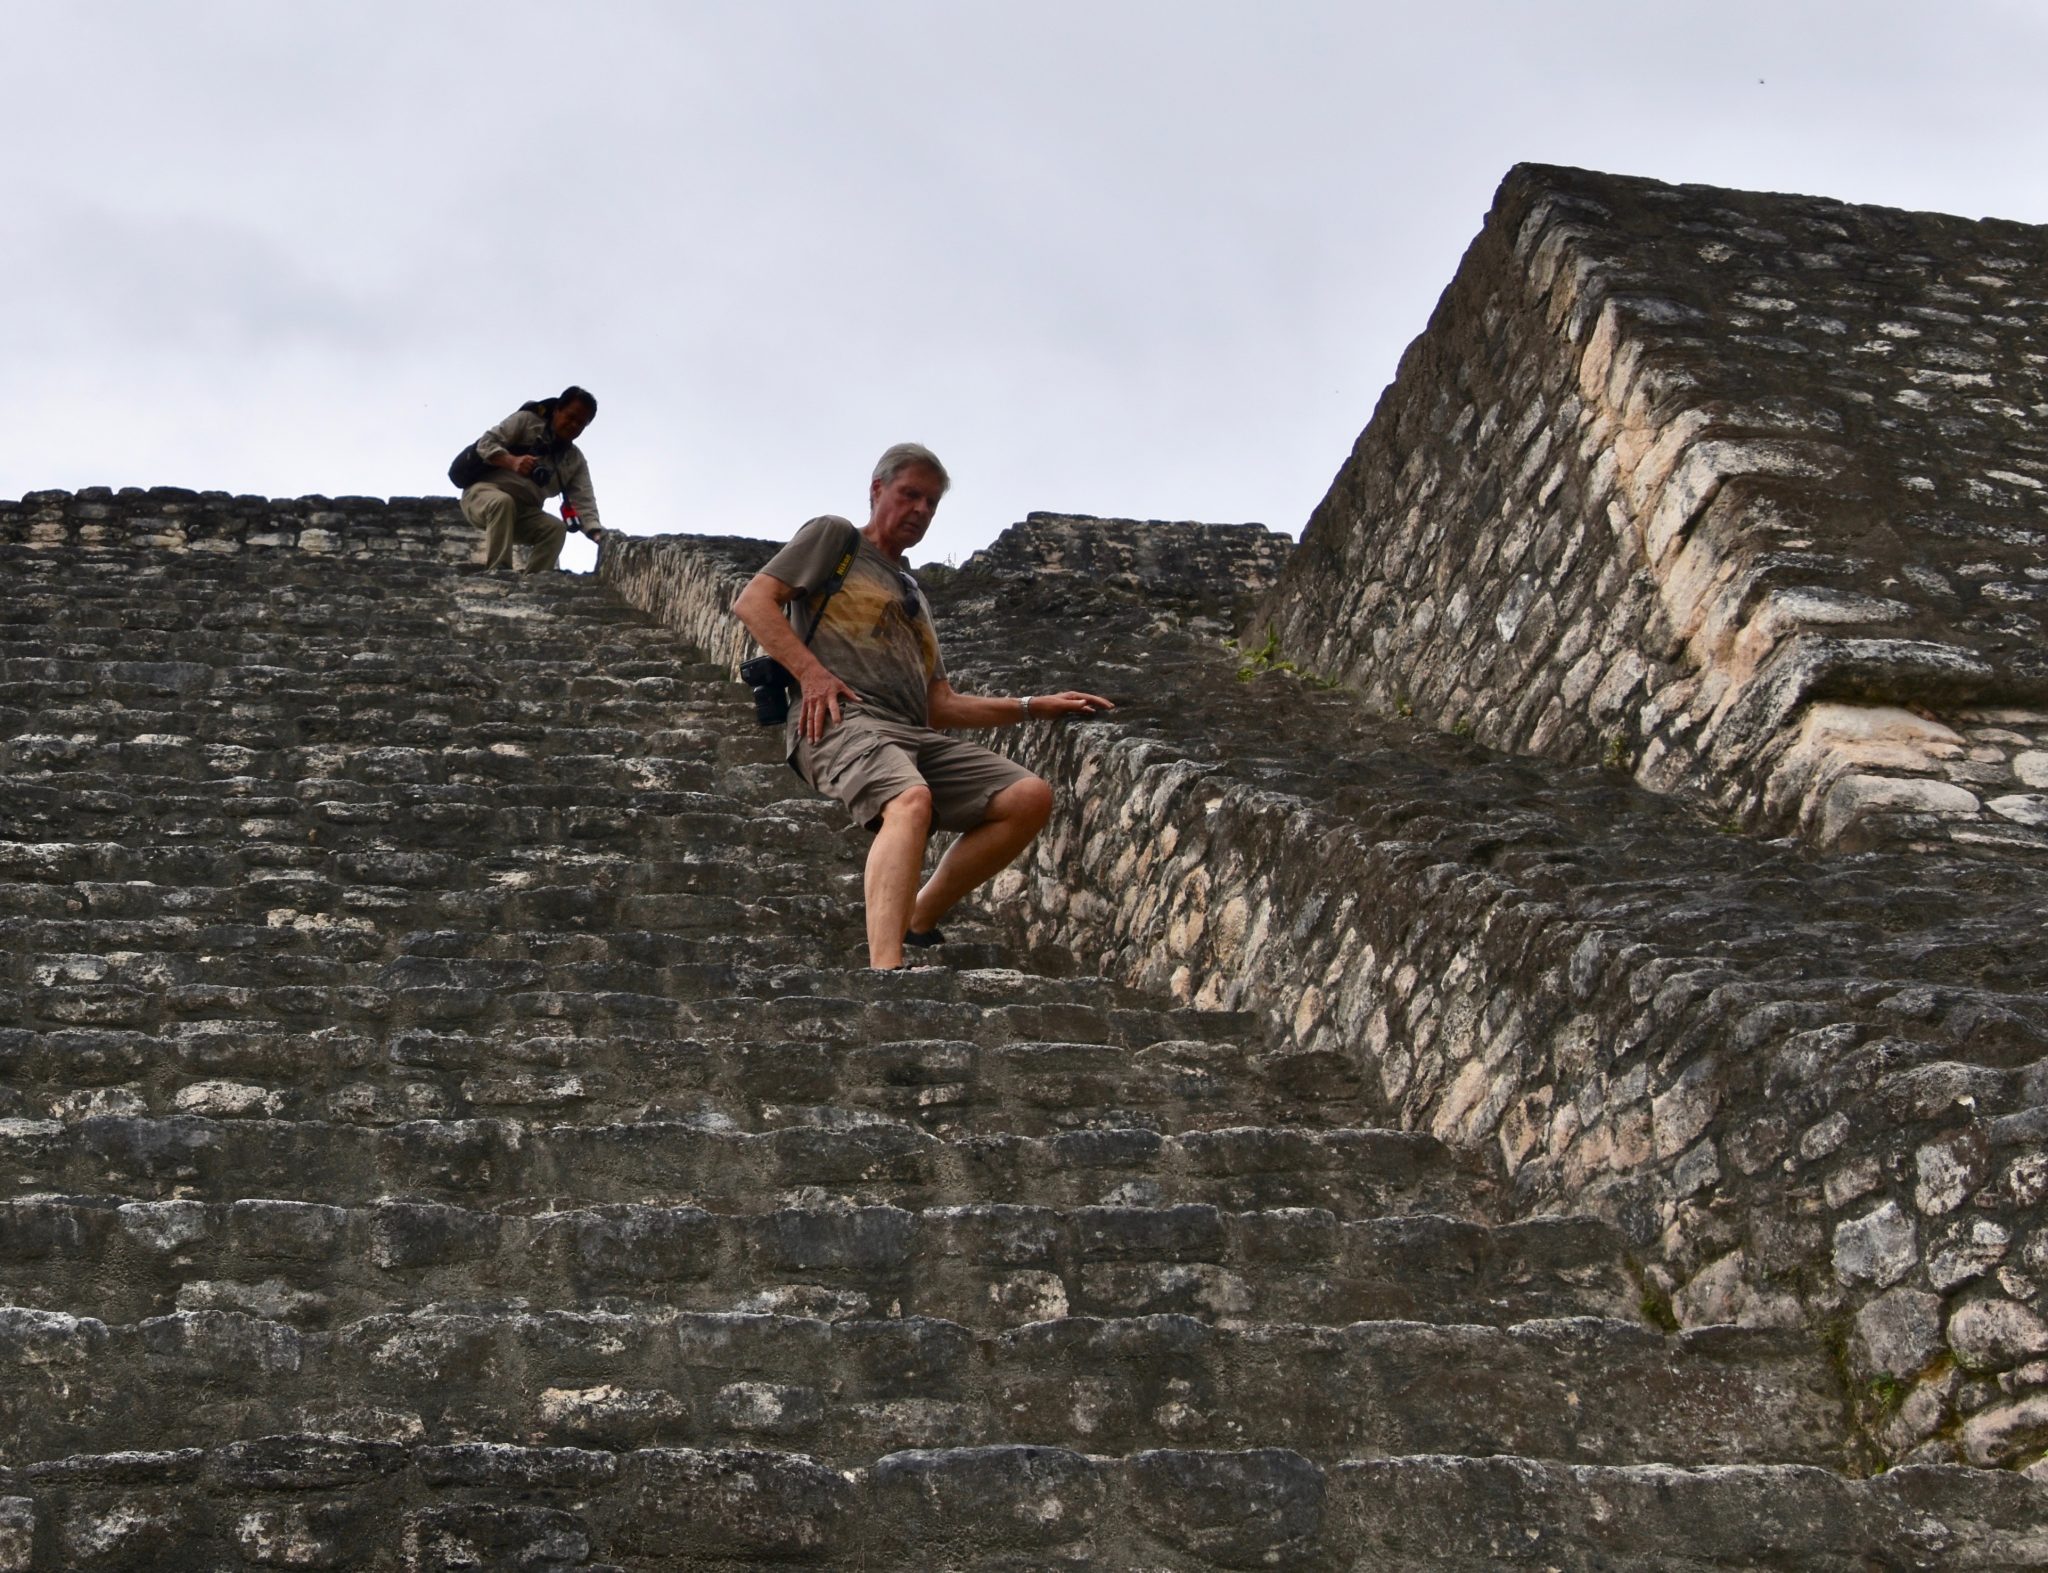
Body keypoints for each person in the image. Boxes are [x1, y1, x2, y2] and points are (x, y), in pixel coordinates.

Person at [733, 442, 1114, 969]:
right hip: (840, 718)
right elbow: (753, 601)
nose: (920, 510)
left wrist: (1031, 705)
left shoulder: (913, 593)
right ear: (876, 489)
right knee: (911, 800)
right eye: (910, 494)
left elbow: (942, 703)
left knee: (1027, 796)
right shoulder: (834, 538)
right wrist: (813, 675)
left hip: (909, 731)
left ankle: (918, 917)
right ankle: (886, 970)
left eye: (931, 503)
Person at [459, 386, 603, 571]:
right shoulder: (527, 422)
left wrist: (596, 533)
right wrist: (511, 461)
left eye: (581, 423)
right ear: (558, 410)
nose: (574, 425)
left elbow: (584, 500)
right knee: (503, 502)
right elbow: (486, 443)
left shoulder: (574, 460)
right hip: (483, 496)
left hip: (523, 513)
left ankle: (535, 580)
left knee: (555, 529)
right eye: (571, 416)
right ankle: (499, 572)